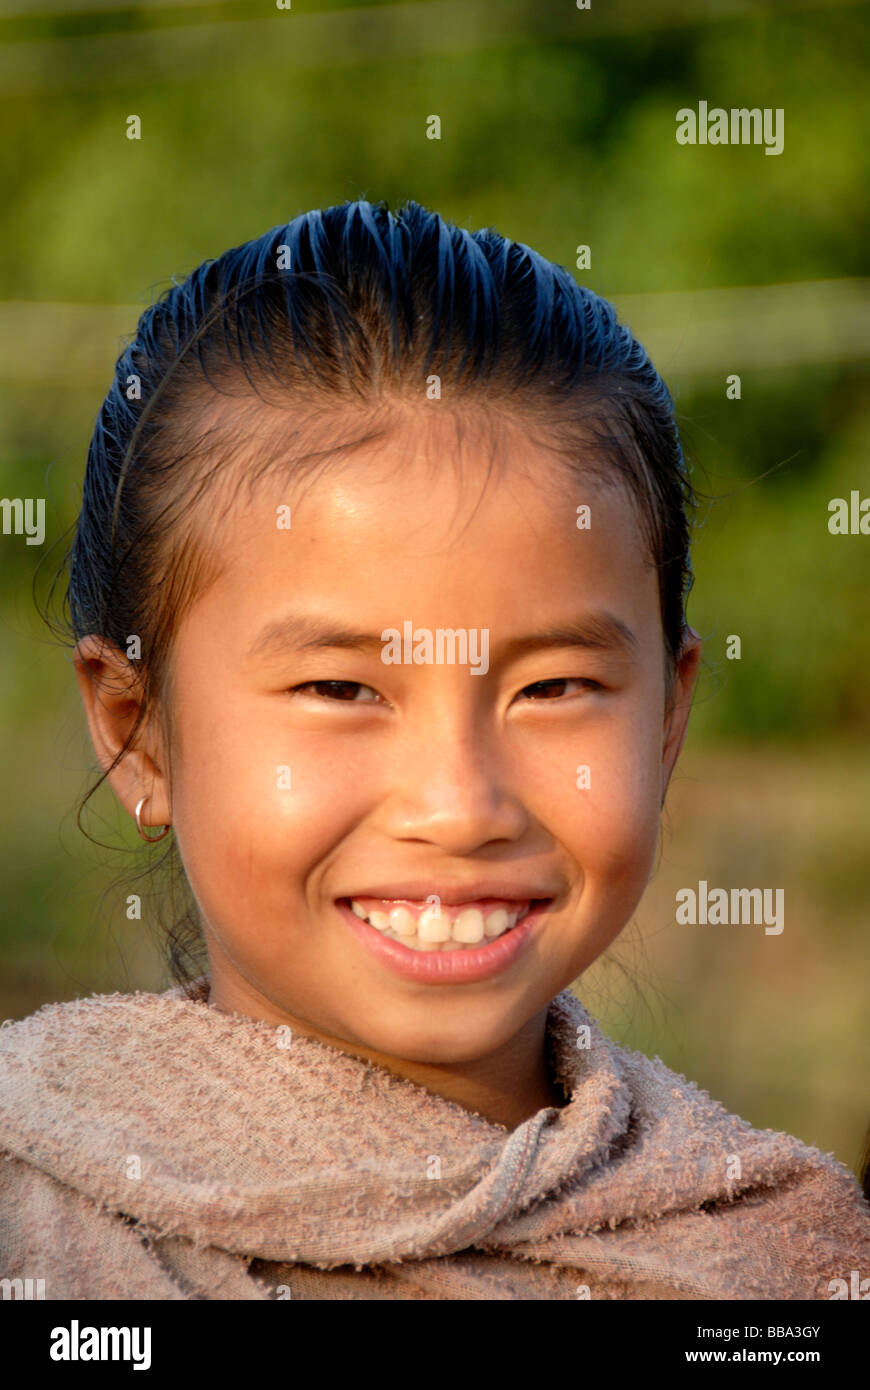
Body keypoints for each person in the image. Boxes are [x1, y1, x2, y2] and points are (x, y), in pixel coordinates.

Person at [1, 199, 867, 1300]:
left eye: (554, 687)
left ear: (665, 718)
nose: (459, 806)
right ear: (140, 734)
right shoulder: (36, 1216)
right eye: (340, 687)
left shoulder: (776, 1258)